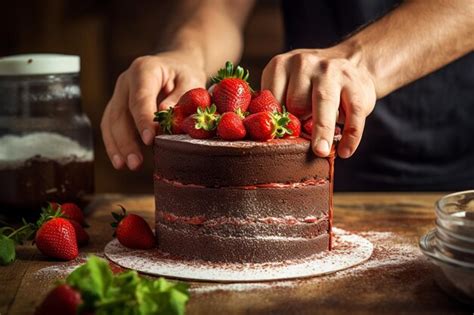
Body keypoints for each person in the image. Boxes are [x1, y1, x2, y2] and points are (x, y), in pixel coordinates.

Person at [101, 0, 474, 191]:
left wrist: (359, 59)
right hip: (303, 159)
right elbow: (217, 7)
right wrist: (187, 52)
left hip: (457, 181)